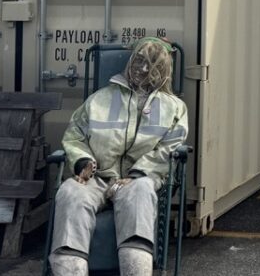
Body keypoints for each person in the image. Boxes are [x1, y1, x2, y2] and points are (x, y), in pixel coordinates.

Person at [48, 37, 188, 276]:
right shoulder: (100, 99)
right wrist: (82, 162)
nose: (144, 68)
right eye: (140, 60)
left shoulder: (174, 108)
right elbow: (75, 135)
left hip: (138, 179)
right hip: (97, 176)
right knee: (70, 192)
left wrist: (137, 174)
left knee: (140, 192)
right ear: (130, 62)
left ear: (164, 69)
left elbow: (169, 148)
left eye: (152, 63)